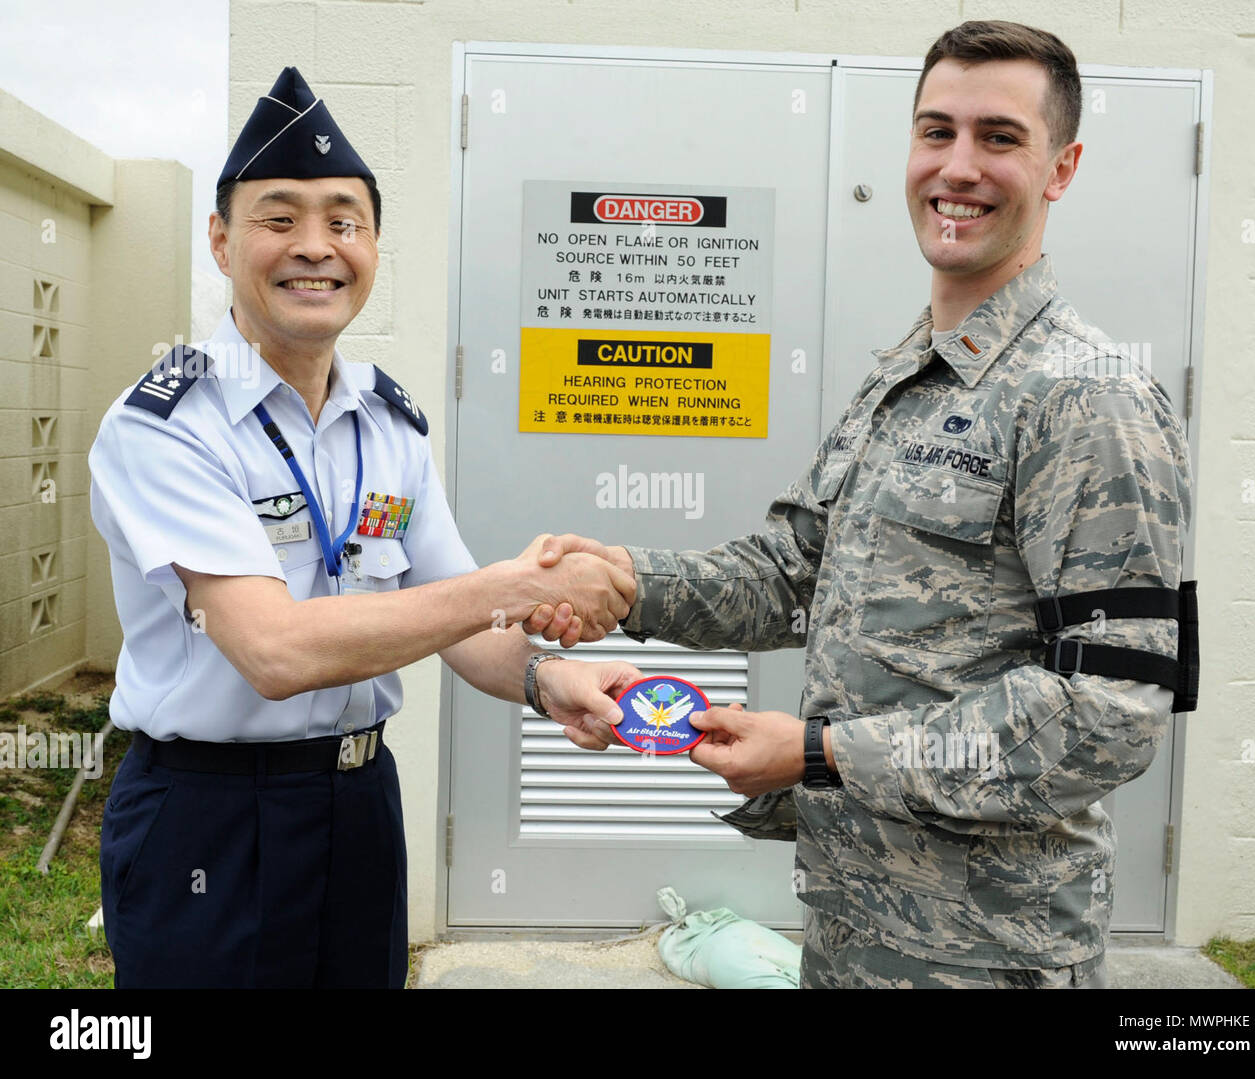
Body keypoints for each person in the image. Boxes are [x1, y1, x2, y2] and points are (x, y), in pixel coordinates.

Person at [531, 21, 1194, 988]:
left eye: (999, 138)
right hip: (850, 922)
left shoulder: (1088, 397)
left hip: (985, 952)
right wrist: (625, 581)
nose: (957, 167)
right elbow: (789, 572)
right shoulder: (908, 379)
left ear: (1062, 167)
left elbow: (1111, 709)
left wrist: (822, 752)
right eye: (936, 132)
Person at [89, 67, 638, 989]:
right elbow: (274, 652)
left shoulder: (389, 424)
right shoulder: (164, 426)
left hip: (358, 807)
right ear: (221, 241)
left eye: (344, 220)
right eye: (279, 218)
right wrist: (523, 582)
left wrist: (553, 679)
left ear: (374, 244)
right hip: (208, 820)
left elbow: (460, 623)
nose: (317, 246)